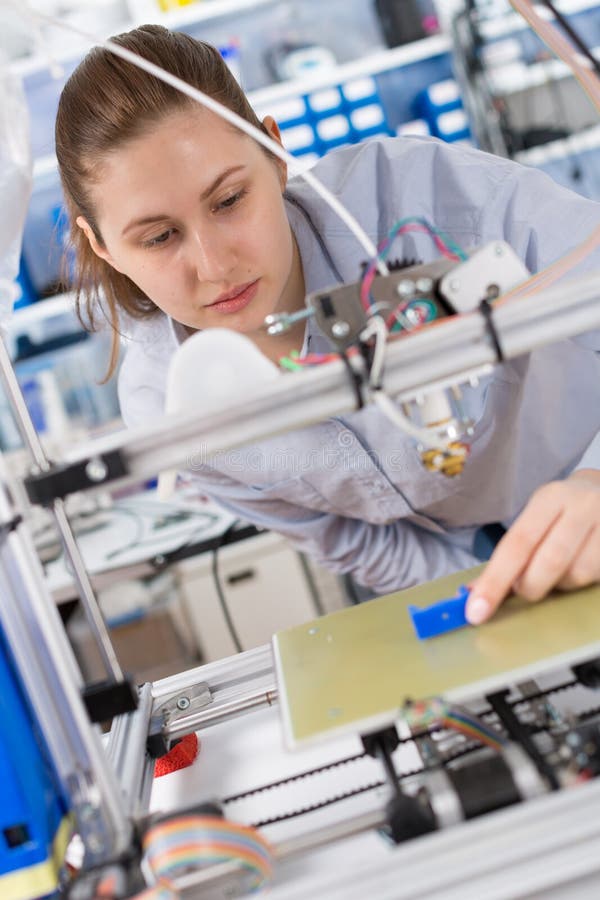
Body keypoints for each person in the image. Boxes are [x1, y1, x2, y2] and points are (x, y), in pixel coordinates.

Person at [54, 25, 600, 625]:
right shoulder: (168, 408)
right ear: (101, 247)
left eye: (230, 200)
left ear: (274, 154)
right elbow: (349, 539)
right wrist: (497, 597)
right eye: (159, 237)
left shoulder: (423, 198)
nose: (215, 265)